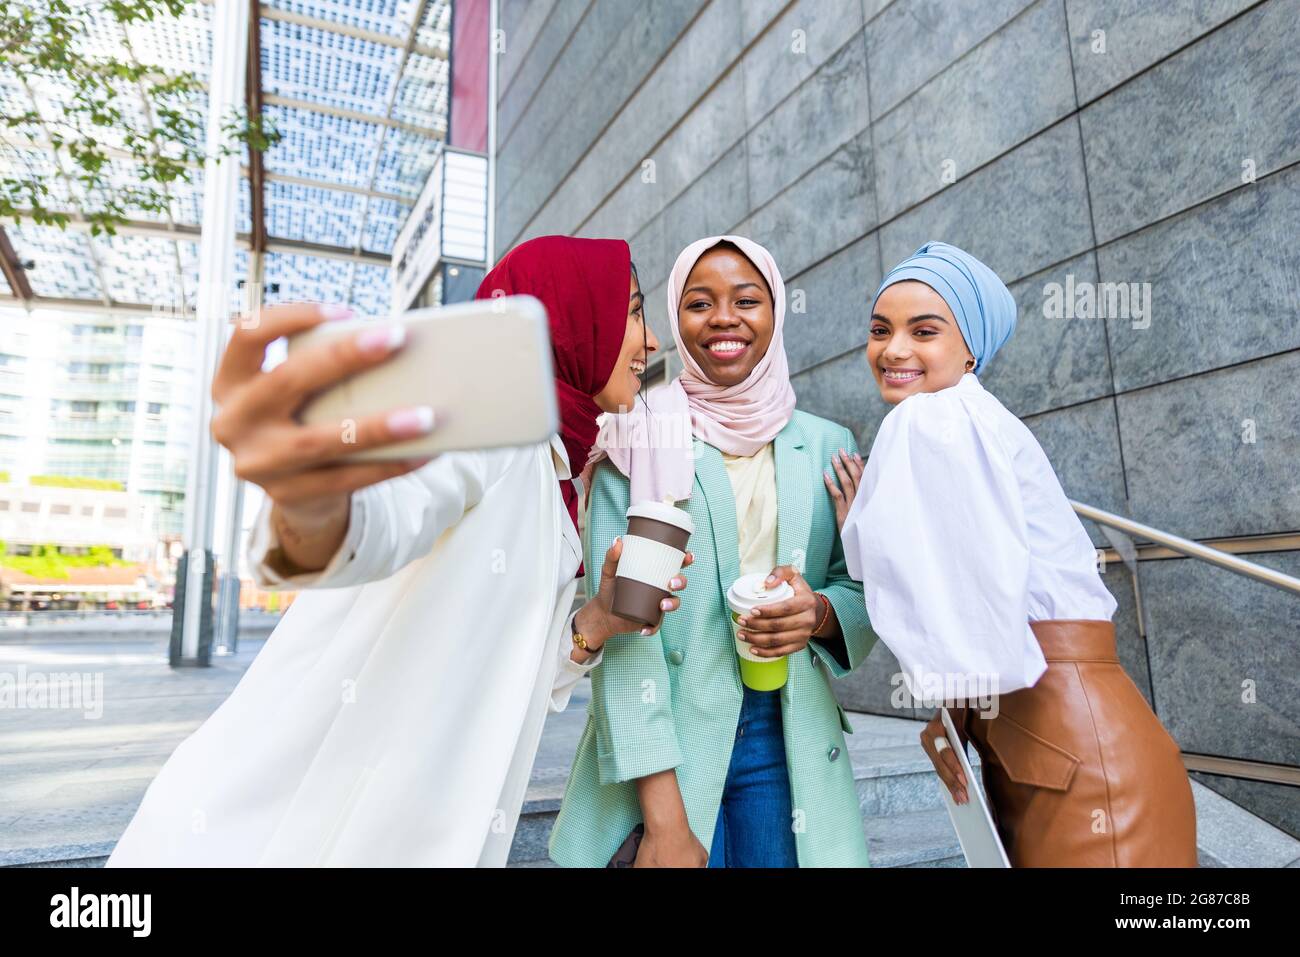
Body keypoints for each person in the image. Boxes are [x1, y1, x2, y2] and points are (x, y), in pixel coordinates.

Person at [106, 235, 691, 867]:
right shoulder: (488, 427)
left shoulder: (552, 472)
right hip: (291, 832)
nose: (652, 342)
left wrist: (598, 621)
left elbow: (499, 659)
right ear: (579, 318)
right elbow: (386, 516)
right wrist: (315, 508)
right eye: (634, 311)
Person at [831, 240, 1197, 866]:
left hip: (1065, 746)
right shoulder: (972, 417)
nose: (893, 350)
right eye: (879, 330)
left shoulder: (930, 420)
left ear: (970, 349)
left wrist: (859, 530)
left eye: (924, 331)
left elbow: (922, 591)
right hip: (1075, 736)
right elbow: (976, 589)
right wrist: (959, 716)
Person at [548, 236, 877, 868]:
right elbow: (623, 632)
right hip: (664, 745)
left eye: (746, 300)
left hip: (790, 733)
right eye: (700, 303)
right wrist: (664, 820)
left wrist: (818, 614)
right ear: (676, 319)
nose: (724, 318)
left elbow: (857, 591)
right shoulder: (636, 436)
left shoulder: (828, 444)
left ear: (775, 313)